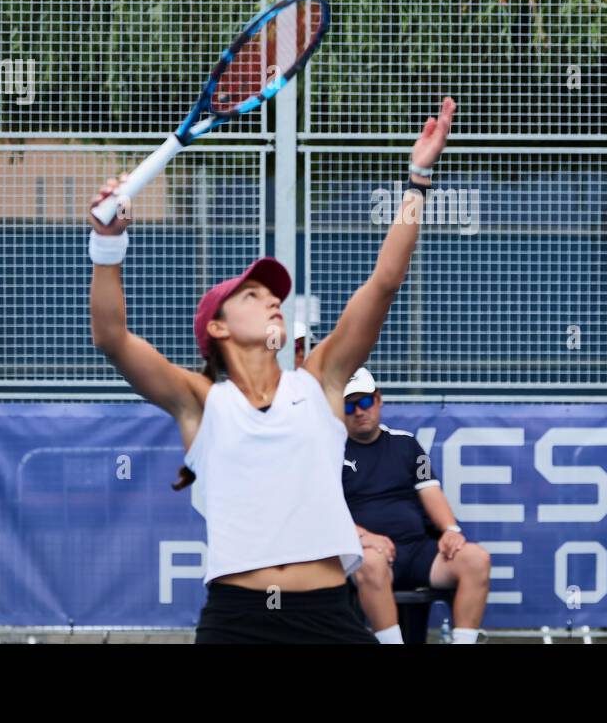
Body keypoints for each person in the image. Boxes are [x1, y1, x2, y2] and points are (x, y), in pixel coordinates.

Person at [88, 97, 456, 644]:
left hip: (328, 614)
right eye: (254, 295)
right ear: (217, 327)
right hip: (237, 619)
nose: (272, 302)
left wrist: (418, 179)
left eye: (274, 295)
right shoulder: (201, 402)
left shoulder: (323, 381)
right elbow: (112, 338)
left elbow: (384, 281)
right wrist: (107, 243)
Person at [342, 367, 491, 644]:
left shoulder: (407, 444)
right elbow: (325, 508)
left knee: (476, 559)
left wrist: (450, 529)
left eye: (364, 402)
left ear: (378, 399)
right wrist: (365, 537)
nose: (359, 411)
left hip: (417, 550)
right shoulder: (330, 448)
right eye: (349, 405)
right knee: (371, 563)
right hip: (366, 552)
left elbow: (431, 490)